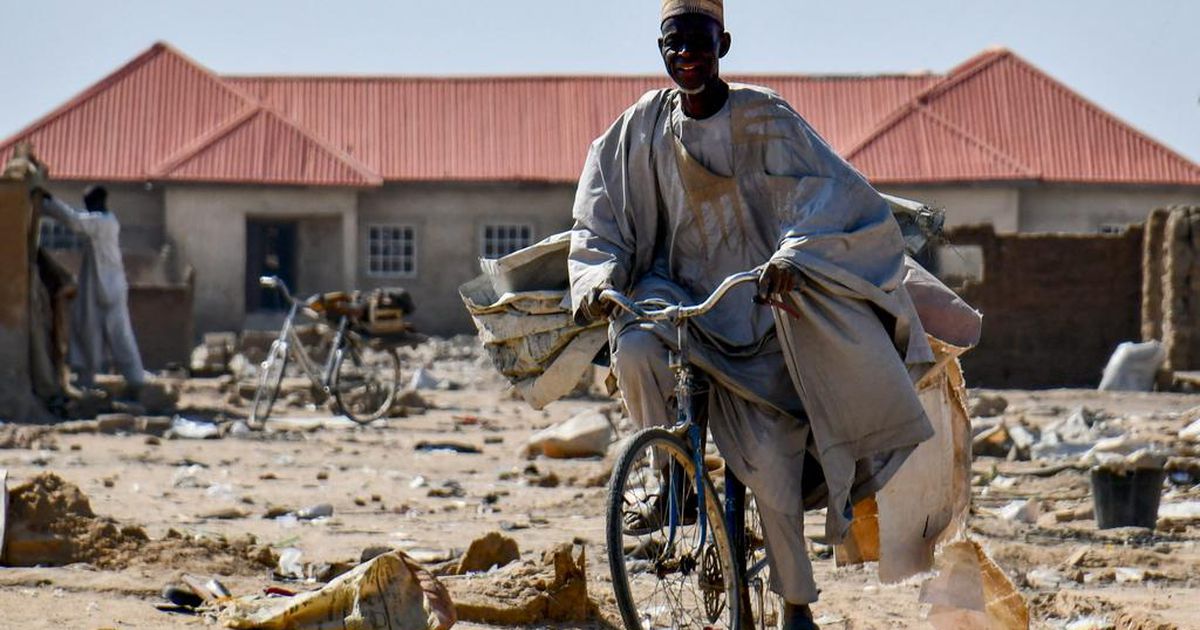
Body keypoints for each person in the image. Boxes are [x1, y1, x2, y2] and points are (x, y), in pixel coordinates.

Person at [568, 2, 941, 628]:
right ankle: (674, 483)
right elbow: (597, 217)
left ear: (725, 44)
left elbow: (830, 193)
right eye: (673, 42)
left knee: (772, 468)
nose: (686, 53)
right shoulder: (639, 129)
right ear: (660, 50)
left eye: (700, 41)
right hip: (677, 297)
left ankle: (796, 603)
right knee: (631, 345)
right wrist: (600, 280)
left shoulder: (767, 118)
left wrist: (792, 256)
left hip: (755, 309)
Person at [33, 185, 147, 395]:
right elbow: (78, 219)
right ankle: (86, 380)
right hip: (96, 288)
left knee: (120, 335)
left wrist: (48, 203)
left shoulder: (104, 222)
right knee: (87, 330)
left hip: (111, 288)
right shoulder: (99, 221)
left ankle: (136, 381)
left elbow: (75, 222)